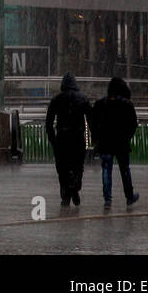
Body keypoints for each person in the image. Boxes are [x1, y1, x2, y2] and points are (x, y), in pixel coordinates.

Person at [90, 76, 139, 209]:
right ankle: (129, 196)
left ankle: (107, 199)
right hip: (122, 143)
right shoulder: (127, 104)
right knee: (125, 170)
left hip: (105, 143)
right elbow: (133, 124)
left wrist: (97, 138)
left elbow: (93, 123)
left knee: (106, 170)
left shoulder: (100, 104)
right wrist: (127, 137)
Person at [45, 72, 91, 208]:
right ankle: (75, 187)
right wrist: (93, 140)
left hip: (62, 138)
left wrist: (53, 140)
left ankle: (65, 195)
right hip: (77, 137)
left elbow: (48, 123)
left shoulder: (56, 100)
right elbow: (91, 119)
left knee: (62, 167)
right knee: (78, 166)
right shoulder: (83, 99)